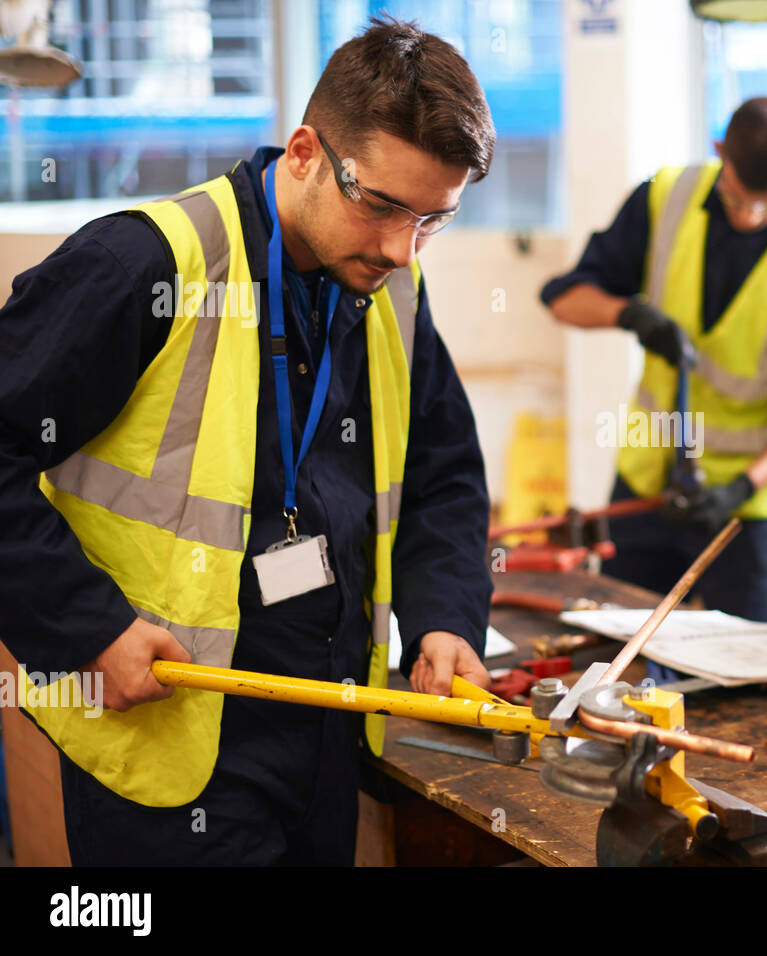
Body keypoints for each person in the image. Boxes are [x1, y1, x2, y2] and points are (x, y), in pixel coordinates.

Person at [0, 17, 495, 864]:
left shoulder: (394, 293)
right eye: (379, 205)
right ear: (303, 151)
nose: (400, 250)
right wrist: (87, 630)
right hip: (171, 739)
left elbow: (442, 474)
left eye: (431, 221)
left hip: (328, 730)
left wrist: (446, 616)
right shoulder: (147, 265)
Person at [541, 98, 767, 657]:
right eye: (738, 196)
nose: (749, 216)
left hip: (748, 508)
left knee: (751, 670)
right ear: (719, 152)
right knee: (620, 659)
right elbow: (563, 299)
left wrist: (742, 488)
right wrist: (629, 315)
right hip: (647, 490)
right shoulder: (665, 197)